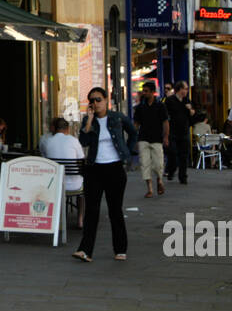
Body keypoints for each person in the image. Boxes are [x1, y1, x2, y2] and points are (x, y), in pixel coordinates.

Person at [73, 86, 138, 262]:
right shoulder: (89, 120)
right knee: (91, 210)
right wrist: (88, 122)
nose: (95, 103)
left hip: (114, 168)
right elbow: (83, 141)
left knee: (114, 210)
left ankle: (120, 249)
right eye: (91, 100)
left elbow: (133, 133)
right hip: (94, 168)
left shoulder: (117, 117)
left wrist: (127, 152)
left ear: (106, 100)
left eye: (98, 99)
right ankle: (85, 250)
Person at [39, 117, 85, 228]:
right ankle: (80, 220)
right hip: (74, 185)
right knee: (82, 192)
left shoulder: (47, 141)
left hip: (53, 185)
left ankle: (55, 219)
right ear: (67, 129)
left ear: (54, 129)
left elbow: (44, 159)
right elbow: (81, 160)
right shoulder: (73, 140)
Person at [131, 81, 168, 198]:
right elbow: (136, 124)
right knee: (144, 163)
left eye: (146, 91)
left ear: (153, 92)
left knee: (158, 163)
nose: (144, 93)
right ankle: (150, 189)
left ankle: (159, 180)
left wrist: (166, 136)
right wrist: (134, 137)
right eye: (143, 91)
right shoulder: (140, 107)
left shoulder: (160, 106)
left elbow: (165, 122)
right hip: (143, 138)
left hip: (157, 138)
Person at [162, 81, 195, 184]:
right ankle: (171, 170)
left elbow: (193, 114)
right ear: (180, 89)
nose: (186, 91)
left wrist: (191, 111)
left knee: (184, 155)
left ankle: (183, 176)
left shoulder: (187, 101)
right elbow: (165, 115)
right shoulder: (170, 100)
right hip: (172, 131)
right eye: (185, 88)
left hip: (184, 131)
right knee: (173, 153)